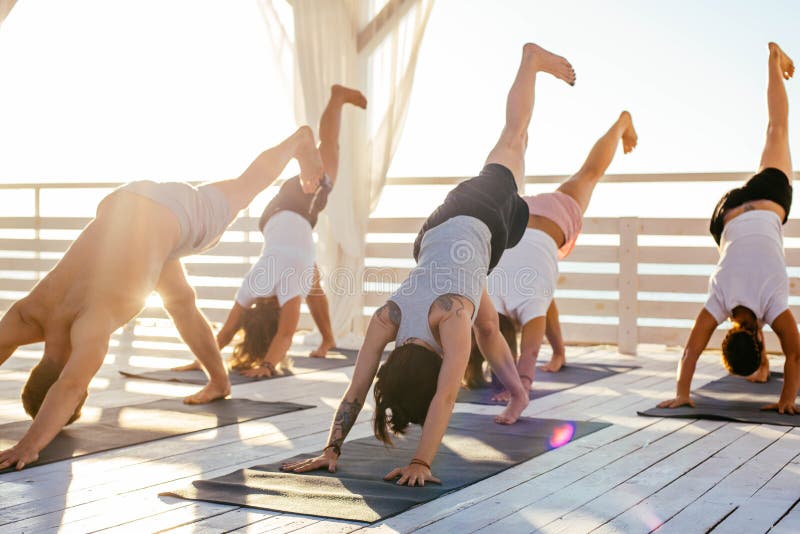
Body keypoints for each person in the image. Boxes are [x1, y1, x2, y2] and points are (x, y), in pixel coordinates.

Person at [281, 43, 576, 486]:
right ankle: (518, 393)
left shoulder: (451, 321)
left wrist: (421, 461)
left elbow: (443, 399)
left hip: (480, 217)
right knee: (490, 327)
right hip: (436, 237)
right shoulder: (388, 319)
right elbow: (358, 389)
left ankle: (530, 61)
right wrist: (331, 447)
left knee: (515, 135)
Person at [0, 126, 324, 470]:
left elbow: (69, 385)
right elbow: (46, 373)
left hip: (173, 217)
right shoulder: (29, 315)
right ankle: (219, 380)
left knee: (248, 185)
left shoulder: (90, 327)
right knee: (181, 302)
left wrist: (30, 444)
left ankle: (298, 142)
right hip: (127, 204)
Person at [172, 85, 366, 378]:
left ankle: (336, 98)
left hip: (297, 208)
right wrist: (201, 360)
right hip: (276, 216)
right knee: (311, 281)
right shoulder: (252, 286)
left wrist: (267, 366)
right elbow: (224, 335)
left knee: (329, 146)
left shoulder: (286, 287)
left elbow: (285, 335)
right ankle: (328, 338)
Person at [659, 42, 799, 415]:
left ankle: (773, 60)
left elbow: (796, 353)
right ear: (728, 335)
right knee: (774, 131)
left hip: (768, 200)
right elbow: (691, 350)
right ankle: (772, 62)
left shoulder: (772, 301)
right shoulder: (719, 297)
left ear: (754, 336)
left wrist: (788, 400)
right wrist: (682, 391)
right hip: (725, 214)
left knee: (777, 128)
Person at [465, 111, 638, 397]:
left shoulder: (531, 309)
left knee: (589, 174)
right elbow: (542, 298)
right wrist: (558, 352)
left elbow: (530, 355)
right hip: (513, 218)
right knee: (585, 173)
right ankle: (617, 124)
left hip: (552, 221)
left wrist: (519, 385)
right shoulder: (486, 302)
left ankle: (620, 124)